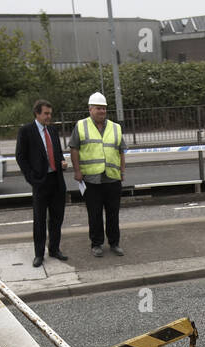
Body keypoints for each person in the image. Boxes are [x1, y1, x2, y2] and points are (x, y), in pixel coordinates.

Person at [70, 91, 125, 257]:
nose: (102, 111)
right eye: (98, 108)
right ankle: (96, 244)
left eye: (104, 109)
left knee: (113, 213)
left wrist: (122, 170)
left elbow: (121, 151)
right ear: (90, 109)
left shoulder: (116, 127)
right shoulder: (81, 126)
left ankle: (114, 243)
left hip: (112, 177)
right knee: (94, 214)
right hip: (91, 179)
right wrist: (77, 170)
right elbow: (74, 149)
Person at [15, 99, 68, 268]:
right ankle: (39, 254)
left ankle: (54, 249)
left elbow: (57, 152)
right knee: (39, 220)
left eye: (50, 113)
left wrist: (62, 162)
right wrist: (32, 178)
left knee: (57, 218)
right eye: (46, 113)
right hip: (40, 182)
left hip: (56, 180)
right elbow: (20, 157)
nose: (49, 116)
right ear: (37, 113)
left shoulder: (52, 130)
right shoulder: (26, 131)